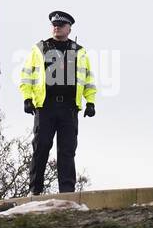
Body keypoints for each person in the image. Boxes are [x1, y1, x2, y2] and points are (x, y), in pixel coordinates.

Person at [19, 10, 97, 194]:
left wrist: (90, 102)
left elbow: (88, 79)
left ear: (69, 29)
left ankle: (67, 192)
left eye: (61, 25)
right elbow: (26, 75)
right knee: (41, 148)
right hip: (45, 107)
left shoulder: (79, 51)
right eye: (54, 25)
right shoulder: (40, 48)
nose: (56, 27)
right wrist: (27, 98)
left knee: (67, 151)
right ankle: (34, 191)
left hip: (69, 108)